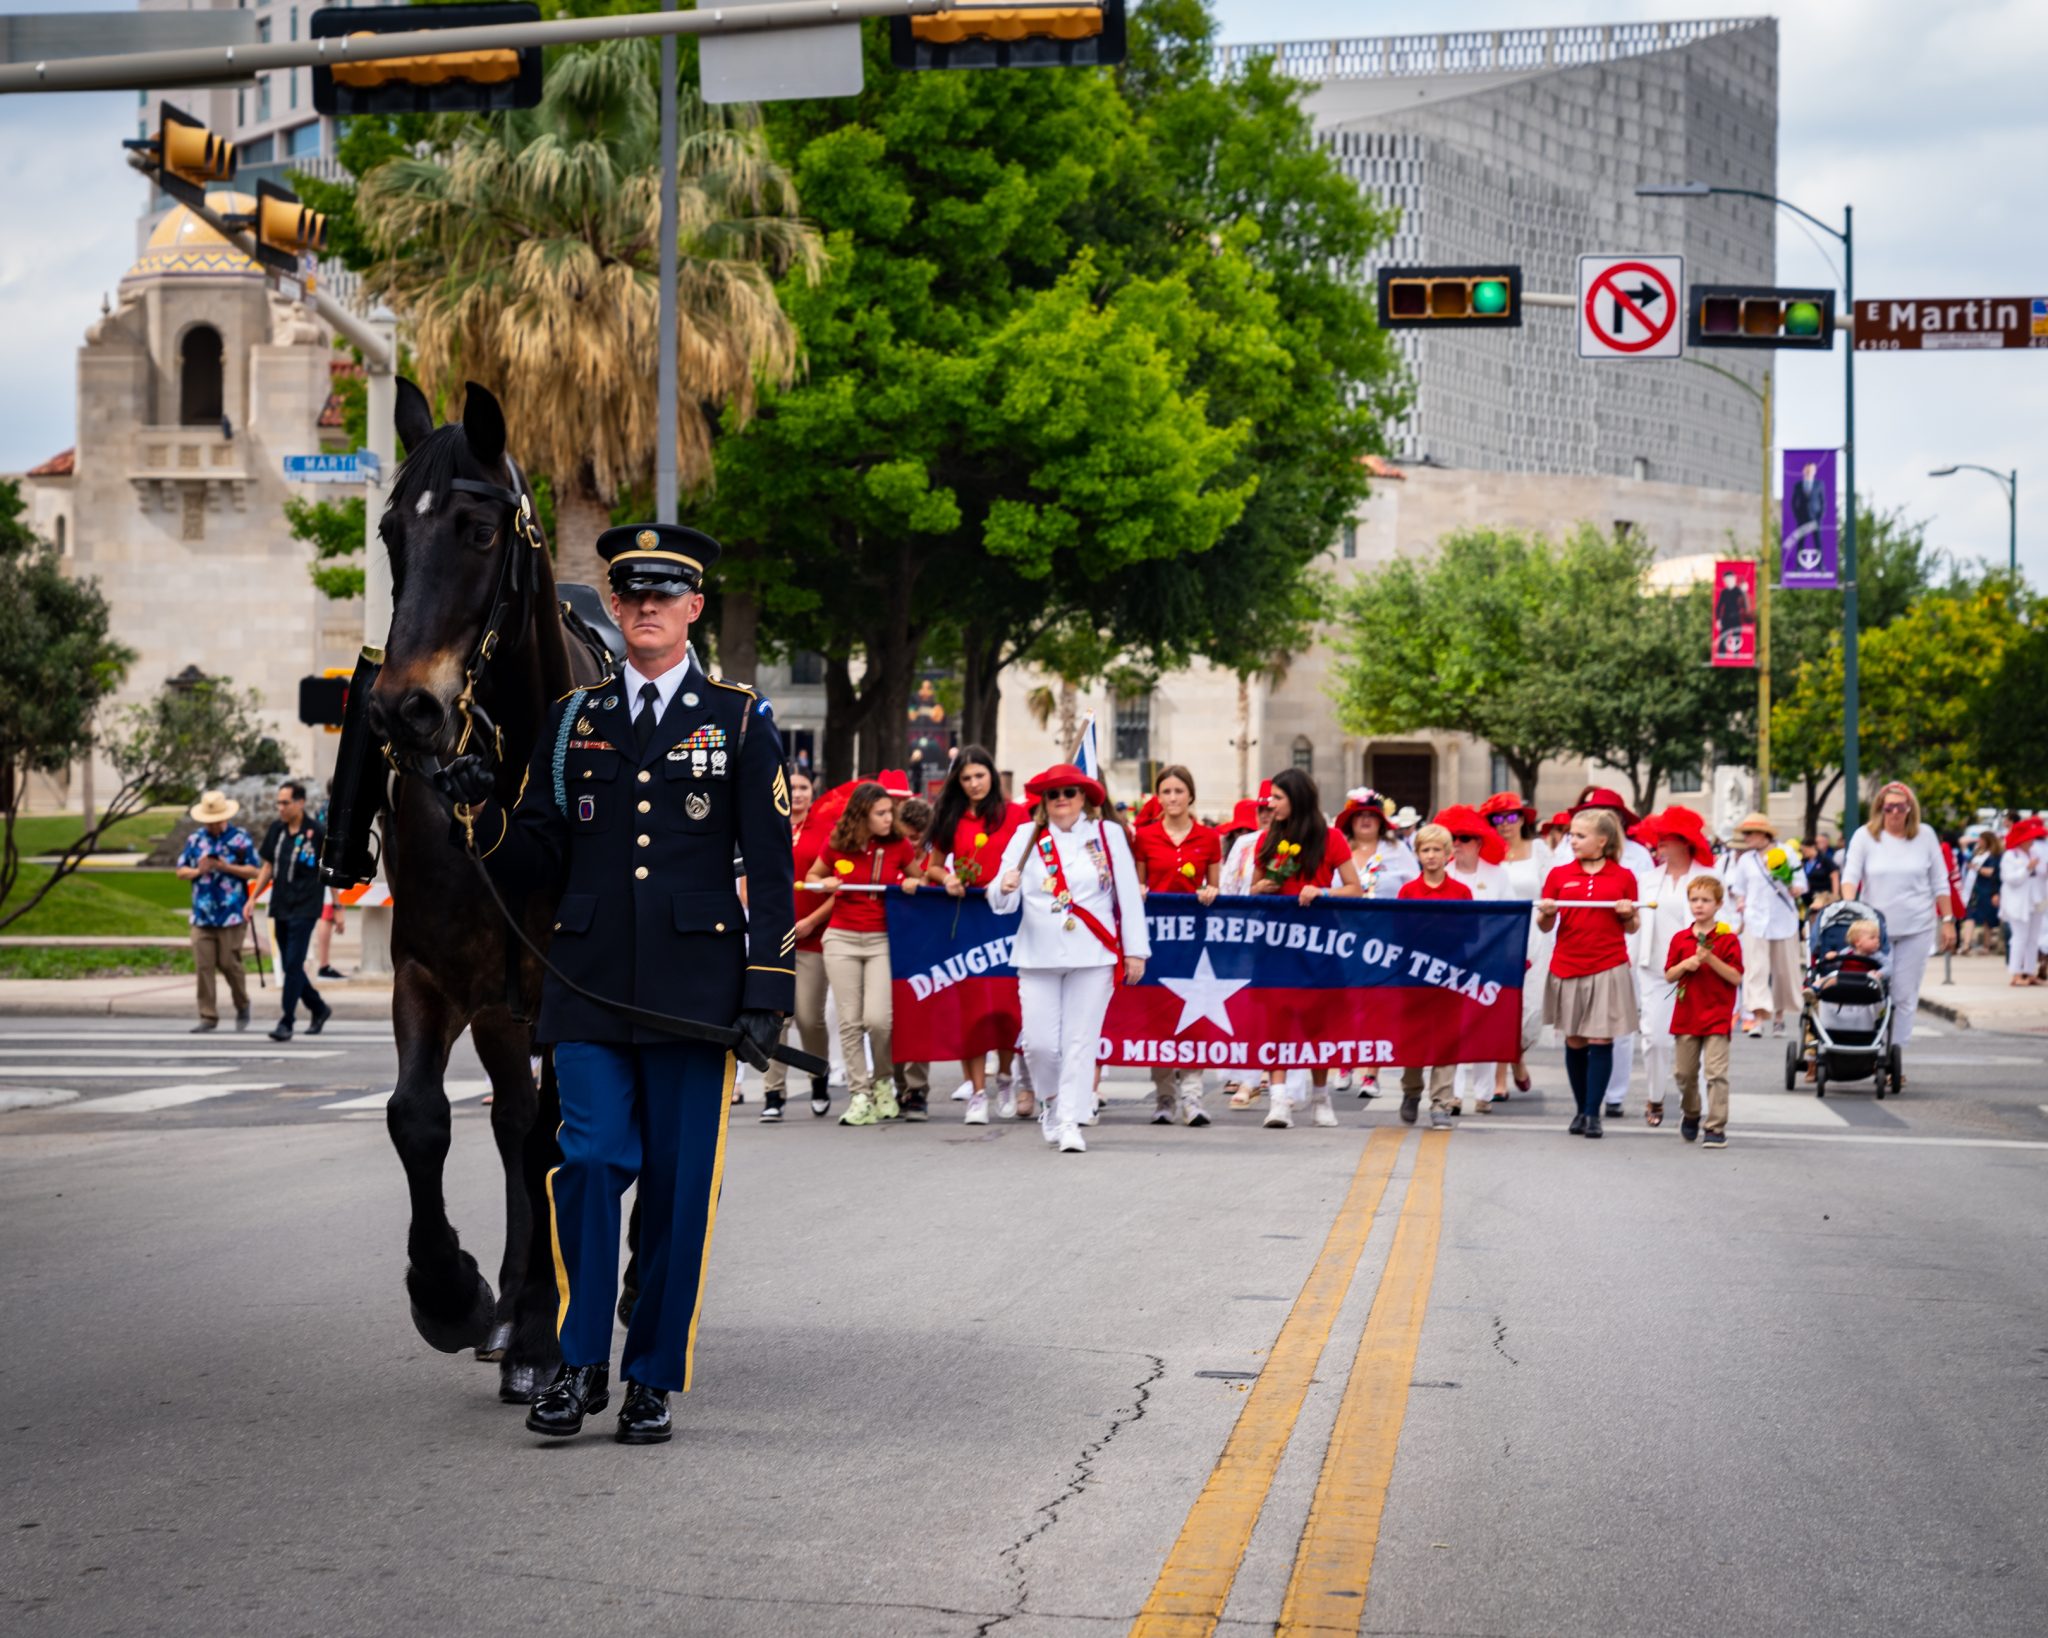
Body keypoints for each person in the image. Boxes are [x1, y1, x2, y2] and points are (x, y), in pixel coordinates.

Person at [440, 520, 794, 1446]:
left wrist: (766, 988)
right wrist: (479, 807)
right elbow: (539, 852)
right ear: (611, 606)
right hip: (590, 984)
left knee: (679, 1193)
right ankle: (577, 1364)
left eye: (662, 594)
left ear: (692, 609)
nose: (644, 608)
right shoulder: (573, 723)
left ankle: (651, 1379)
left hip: (697, 990)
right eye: (628, 594)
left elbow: (772, 858)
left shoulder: (738, 718)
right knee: (588, 1165)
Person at [986, 762, 1150, 1155]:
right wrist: (1003, 887)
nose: (1062, 800)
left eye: (1070, 793)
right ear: (1044, 801)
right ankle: (1051, 1101)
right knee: (1040, 1043)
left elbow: (1126, 894)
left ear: (1085, 799)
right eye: (1054, 794)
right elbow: (1001, 901)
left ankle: (1071, 1120)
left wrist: (1135, 950)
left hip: (1092, 951)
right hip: (1038, 951)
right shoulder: (1027, 836)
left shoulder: (1107, 835)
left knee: (1080, 1040)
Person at [926, 745, 1033, 1121]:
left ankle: (1005, 1076)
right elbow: (933, 867)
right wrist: (949, 878)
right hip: (966, 917)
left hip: (1008, 917)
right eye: (966, 778)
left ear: (993, 775)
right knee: (969, 1006)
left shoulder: (1018, 816)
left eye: (980, 776)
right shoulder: (949, 817)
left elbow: (1034, 861)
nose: (974, 784)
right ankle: (976, 1092)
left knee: (1007, 1003)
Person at [1251, 768, 1362, 1131]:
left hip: (1319, 940)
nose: (1271, 804)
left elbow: (1353, 888)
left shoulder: (1330, 839)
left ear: (1296, 799)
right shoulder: (1267, 840)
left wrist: (1322, 892)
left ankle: (1320, 1096)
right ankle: (1278, 1099)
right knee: (1276, 1017)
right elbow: (1252, 889)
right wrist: (1263, 887)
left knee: (1318, 1019)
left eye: (1278, 798)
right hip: (1276, 940)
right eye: (1270, 798)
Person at [806, 781, 919, 1127]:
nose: (889, 818)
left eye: (890, 812)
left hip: (881, 939)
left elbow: (919, 877)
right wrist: (822, 883)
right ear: (862, 815)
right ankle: (860, 1094)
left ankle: (883, 1081)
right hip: (841, 939)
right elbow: (813, 874)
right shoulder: (838, 843)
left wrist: (912, 884)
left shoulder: (899, 845)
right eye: (881, 813)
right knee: (849, 1021)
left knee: (879, 1020)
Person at [1536, 808, 1641, 1139]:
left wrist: (1626, 914)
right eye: (1572, 835)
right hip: (1568, 963)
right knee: (1575, 1038)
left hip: (1608, 964)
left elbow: (1634, 926)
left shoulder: (1623, 877)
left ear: (1602, 840)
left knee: (1601, 1037)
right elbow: (1545, 925)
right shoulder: (1558, 874)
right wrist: (1547, 912)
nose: (1573, 841)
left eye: (1580, 836)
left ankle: (1594, 1113)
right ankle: (1581, 1109)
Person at [1840, 781, 1955, 1078]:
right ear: (1880, 808)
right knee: (1869, 990)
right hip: (1874, 929)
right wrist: (1850, 905)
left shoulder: (1925, 836)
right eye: (1888, 807)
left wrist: (1948, 920)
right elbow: (1851, 875)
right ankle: (1863, 1050)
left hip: (1916, 925)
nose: (1893, 812)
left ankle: (1894, 1057)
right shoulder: (1866, 836)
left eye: (1900, 807)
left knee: (1904, 995)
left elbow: (1940, 881)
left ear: (1909, 810)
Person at [1131, 764, 1220, 1127]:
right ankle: (1164, 1095)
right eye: (1165, 792)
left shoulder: (1209, 838)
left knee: (1195, 1015)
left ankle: (1193, 1096)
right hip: (1156, 939)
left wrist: (1211, 892)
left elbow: (1215, 887)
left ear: (1190, 796)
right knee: (1161, 1017)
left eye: (1178, 791)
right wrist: (1140, 891)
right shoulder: (1145, 837)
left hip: (1194, 941)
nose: (1171, 798)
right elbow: (1137, 885)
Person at [1570, 787, 1655, 1116]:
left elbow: (1641, 906)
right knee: (1577, 1031)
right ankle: (1586, 1099)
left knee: (1615, 1027)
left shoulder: (1637, 856)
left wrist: (1635, 940)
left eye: (1610, 812)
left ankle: (1614, 1094)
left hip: (1621, 946)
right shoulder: (1571, 852)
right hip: (1577, 948)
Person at [1635, 807, 1718, 1128]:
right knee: (1654, 1038)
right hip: (1655, 966)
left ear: (1684, 842)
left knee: (1693, 1041)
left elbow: (1725, 921)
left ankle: (1693, 1105)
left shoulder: (1709, 877)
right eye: (1658, 840)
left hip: (1697, 970)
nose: (1659, 846)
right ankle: (1655, 1096)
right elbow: (1639, 922)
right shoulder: (1647, 880)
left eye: (1665, 839)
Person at [1334, 788, 1418, 1098]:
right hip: (1344, 938)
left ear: (1381, 821)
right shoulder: (1340, 850)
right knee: (1346, 1001)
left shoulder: (1398, 850)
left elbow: (1413, 887)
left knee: (1377, 1003)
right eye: (1360, 816)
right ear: (1351, 822)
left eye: (1372, 816)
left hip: (1385, 938)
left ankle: (1371, 1072)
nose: (1366, 821)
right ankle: (1344, 1062)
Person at [762, 767, 833, 1122]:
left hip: (811, 937)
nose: (798, 793)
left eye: (804, 787)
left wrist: (812, 921)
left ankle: (819, 1076)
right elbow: (751, 876)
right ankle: (773, 1092)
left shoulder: (825, 830)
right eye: (792, 788)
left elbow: (839, 887)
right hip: (773, 938)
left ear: (812, 790)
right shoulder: (767, 823)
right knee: (776, 1016)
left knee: (808, 1017)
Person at [1436, 804, 1508, 1114]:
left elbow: (1510, 919)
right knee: (1451, 1027)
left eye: (1464, 838)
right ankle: (1452, 1092)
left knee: (1483, 1025)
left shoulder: (1497, 875)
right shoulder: (1441, 873)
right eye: (1452, 837)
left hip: (1488, 959)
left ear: (1479, 842)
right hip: (1450, 960)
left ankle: (1484, 1092)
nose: (1457, 844)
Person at [1395, 823, 1467, 1130]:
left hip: (1450, 975)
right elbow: (1398, 933)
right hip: (1415, 978)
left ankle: (1441, 1102)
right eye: (1426, 850)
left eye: (1438, 850)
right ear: (1417, 854)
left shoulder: (1461, 892)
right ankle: (1411, 1091)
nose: (1432, 855)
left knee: (1447, 1039)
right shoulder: (1408, 891)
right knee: (1415, 1038)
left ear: (1448, 854)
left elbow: (1471, 932)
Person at [252, 780, 334, 1042]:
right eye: (278, 803)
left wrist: (339, 906)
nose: (280, 808)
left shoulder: (317, 832)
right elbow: (267, 867)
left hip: (306, 906)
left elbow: (328, 871)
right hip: (280, 905)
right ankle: (319, 1008)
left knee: (293, 964)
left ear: (300, 802)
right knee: (291, 967)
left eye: (285, 802)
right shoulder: (277, 830)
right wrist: (252, 898)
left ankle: (286, 1021)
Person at [1664, 875, 1742, 1149]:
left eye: (1706, 900)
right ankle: (1692, 1111)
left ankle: (1716, 1127)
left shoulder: (1728, 939)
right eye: (1694, 900)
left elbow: (1735, 977)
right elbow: (1669, 975)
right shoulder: (1681, 938)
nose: (1699, 905)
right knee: (1683, 1074)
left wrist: (1710, 958)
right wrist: (1687, 964)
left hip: (1717, 1015)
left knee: (1716, 1073)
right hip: (1687, 1015)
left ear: (1718, 904)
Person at [1480, 791, 1548, 1101]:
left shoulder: (1540, 850)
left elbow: (1554, 890)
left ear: (1522, 819)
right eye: (1498, 819)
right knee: (1498, 1002)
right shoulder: (1486, 853)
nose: (1505, 824)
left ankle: (1517, 1055)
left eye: (1511, 817)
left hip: (1536, 932)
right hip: (1498, 934)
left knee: (1530, 1008)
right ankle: (1499, 1077)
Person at [175, 790, 260, 1034]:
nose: (212, 825)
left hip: (232, 912)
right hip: (202, 913)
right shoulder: (195, 840)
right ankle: (208, 1016)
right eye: (208, 821)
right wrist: (198, 871)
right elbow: (180, 871)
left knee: (229, 963)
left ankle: (242, 1004)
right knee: (204, 966)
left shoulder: (240, 838)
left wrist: (225, 867)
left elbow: (254, 870)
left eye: (216, 820)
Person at [1726, 812, 1804, 1036]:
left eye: (1750, 833)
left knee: (1783, 971)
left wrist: (1793, 886)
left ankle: (1779, 1017)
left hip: (1783, 919)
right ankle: (1758, 1018)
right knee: (1756, 970)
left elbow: (1801, 882)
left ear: (1764, 834)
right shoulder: (1746, 861)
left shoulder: (1786, 853)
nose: (1747, 837)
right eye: (1745, 833)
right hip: (1755, 919)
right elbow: (1739, 889)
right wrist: (1741, 905)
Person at [1997, 815, 2045, 985]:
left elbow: (2040, 875)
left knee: (2033, 938)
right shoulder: (2010, 856)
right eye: (2030, 838)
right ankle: (2016, 973)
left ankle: (2029, 971)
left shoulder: (2034, 853)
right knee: (2019, 937)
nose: (2033, 841)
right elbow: (2009, 879)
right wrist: (2027, 868)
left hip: (2036, 900)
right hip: (2017, 903)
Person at [1961, 831, 2001, 957]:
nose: (1979, 842)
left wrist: (1977, 868)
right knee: (1970, 915)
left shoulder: (1994, 856)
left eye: (1981, 840)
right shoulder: (1977, 852)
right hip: (1974, 889)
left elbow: (1992, 872)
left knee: (1986, 919)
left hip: (1986, 889)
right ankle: (1966, 945)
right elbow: (1963, 844)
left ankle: (1986, 945)